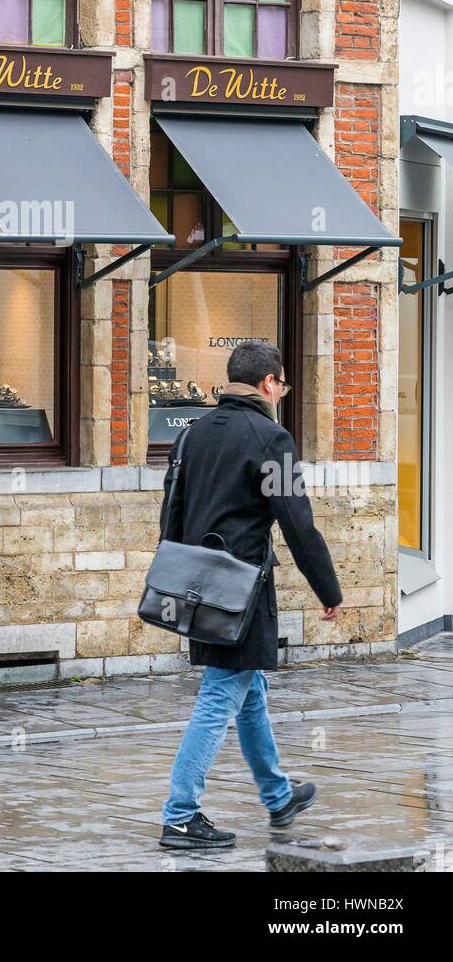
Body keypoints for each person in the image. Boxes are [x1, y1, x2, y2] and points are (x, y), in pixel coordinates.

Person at [159, 340, 343, 850]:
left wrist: (175, 574)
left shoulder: (191, 435)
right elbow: (298, 523)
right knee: (221, 695)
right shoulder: (271, 438)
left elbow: (171, 510)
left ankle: (277, 795)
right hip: (240, 590)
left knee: (248, 689)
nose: (281, 392)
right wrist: (327, 588)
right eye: (282, 383)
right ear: (268, 383)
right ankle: (180, 814)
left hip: (198, 586)